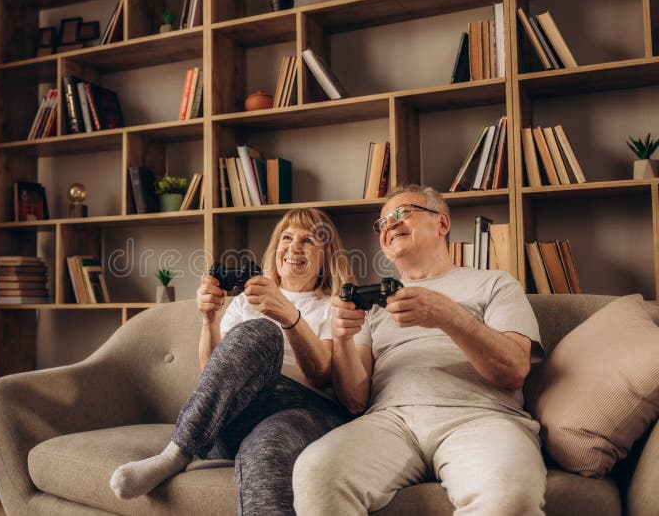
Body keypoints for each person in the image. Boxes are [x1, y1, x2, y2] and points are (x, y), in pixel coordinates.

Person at [293, 185, 547, 515]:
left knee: (508, 496)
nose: (390, 224)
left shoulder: (496, 283)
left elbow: (514, 370)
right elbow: (355, 400)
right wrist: (342, 337)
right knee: (315, 472)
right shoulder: (373, 304)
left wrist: (448, 315)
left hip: (481, 418)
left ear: (441, 224)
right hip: (389, 422)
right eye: (383, 221)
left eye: (403, 212)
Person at [109, 207, 364, 515]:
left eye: (308, 241)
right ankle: (178, 451)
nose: (294, 247)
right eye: (286, 237)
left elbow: (322, 374)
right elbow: (215, 374)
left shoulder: (333, 307)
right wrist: (210, 321)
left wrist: (288, 315)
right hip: (235, 413)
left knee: (268, 448)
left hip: (303, 412)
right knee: (258, 331)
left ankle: (183, 449)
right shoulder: (245, 301)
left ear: (327, 257)